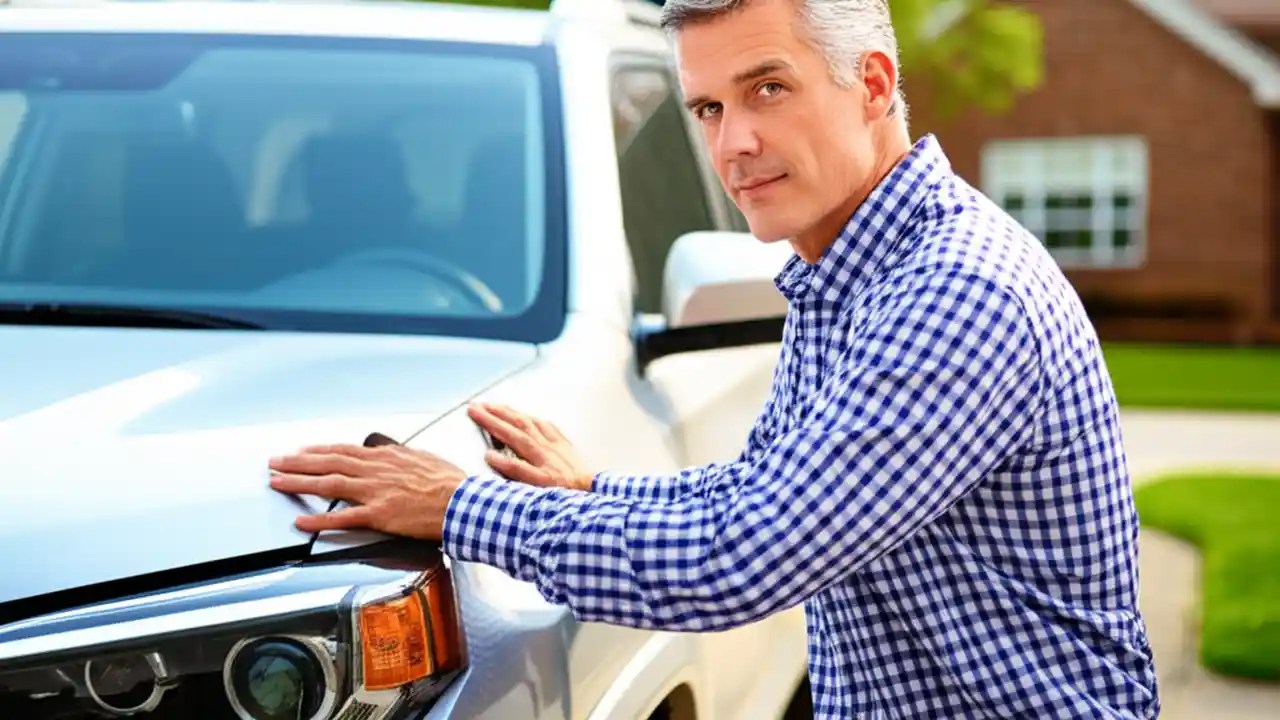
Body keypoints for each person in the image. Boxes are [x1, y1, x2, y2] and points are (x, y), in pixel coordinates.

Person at [268, 0, 1161, 716]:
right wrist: (593, 493)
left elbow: (738, 559)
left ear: (874, 84)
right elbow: (764, 487)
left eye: (767, 88)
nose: (733, 143)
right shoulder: (845, 269)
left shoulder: (955, 295)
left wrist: (459, 506)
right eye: (708, 106)